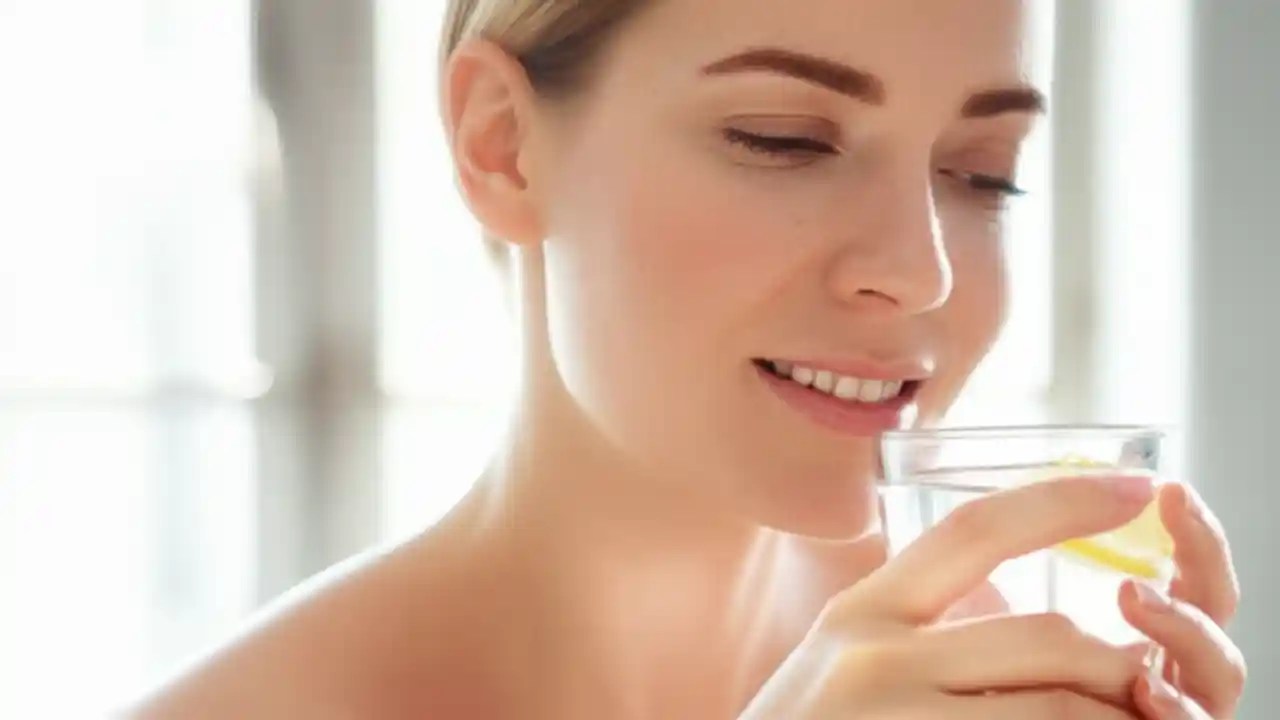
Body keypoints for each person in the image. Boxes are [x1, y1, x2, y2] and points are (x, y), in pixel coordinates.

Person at [127, 1, 1246, 717]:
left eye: (980, 170)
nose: (918, 273)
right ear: (501, 147)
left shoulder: (1010, 666)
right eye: (784, 140)